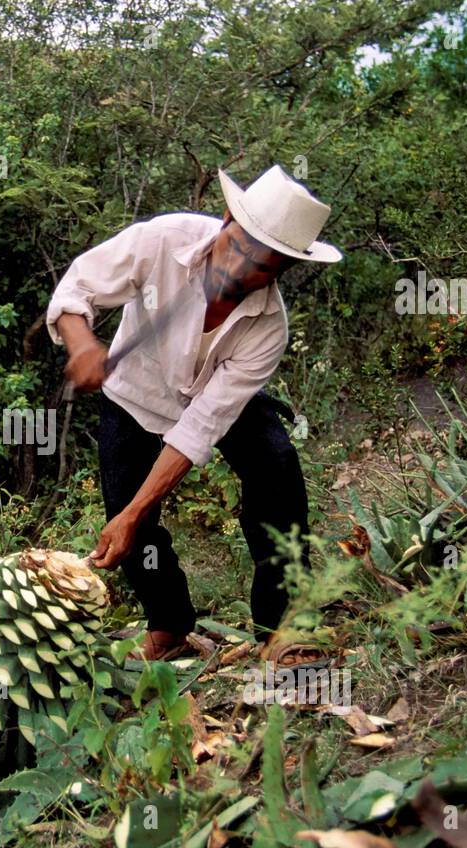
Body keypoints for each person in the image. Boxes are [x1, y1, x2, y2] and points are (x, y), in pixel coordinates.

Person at [46, 165, 342, 661]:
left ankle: (280, 625)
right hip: (134, 396)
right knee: (126, 515)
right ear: (226, 219)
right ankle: (168, 627)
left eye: (262, 267)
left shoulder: (268, 329)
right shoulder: (165, 239)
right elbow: (78, 290)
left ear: (282, 270)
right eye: (239, 249)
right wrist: (81, 345)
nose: (240, 271)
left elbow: (200, 427)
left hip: (218, 404)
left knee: (278, 473)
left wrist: (137, 510)